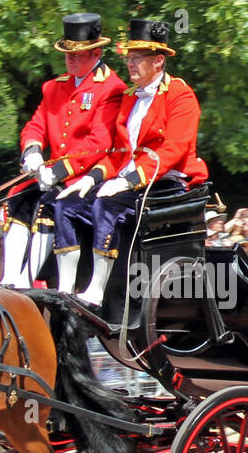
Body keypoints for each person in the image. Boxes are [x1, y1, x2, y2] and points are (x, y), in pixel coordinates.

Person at [53, 18, 208, 310]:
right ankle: (65, 290)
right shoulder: (128, 98)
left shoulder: (180, 95)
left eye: (137, 59)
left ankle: (97, 291)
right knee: (67, 205)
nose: (130, 64)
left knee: (106, 205)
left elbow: (172, 150)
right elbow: (118, 152)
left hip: (166, 184)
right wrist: (93, 177)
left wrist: (126, 181)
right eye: (128, 58)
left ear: (158, 60)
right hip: (130, 182)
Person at [1, 12, 125, 287]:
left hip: (88, 178)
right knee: (16, 201)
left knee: (47, 207)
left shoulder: (111, 88)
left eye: (78, 54)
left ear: (96, 53)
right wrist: (32, 151)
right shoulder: (53, 88)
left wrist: (58, 171)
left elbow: (99, 144)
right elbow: (35, 126)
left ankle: (26, 280)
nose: (70, 59)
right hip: (54, 177)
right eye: (67, 53)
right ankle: (9, 279)